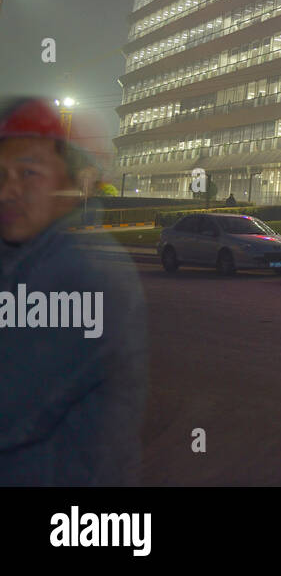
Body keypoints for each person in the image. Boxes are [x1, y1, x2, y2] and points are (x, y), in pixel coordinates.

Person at [0, 97, 149, 484]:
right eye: (0, 175)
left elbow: (10, 405)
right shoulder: (23, 255)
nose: (7, 191)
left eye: (28, 173)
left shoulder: (86, 273)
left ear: (73, 182)